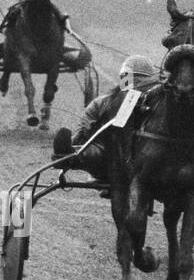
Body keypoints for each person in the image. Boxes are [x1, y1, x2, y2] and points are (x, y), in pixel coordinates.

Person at [51, 54, 161, 184]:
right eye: (132, 80)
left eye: (141, 81)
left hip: (146, 162)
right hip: (108, 159)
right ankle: (67, 155)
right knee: (92, 150)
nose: (136, 86)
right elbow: (82, 135)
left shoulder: (158, 103)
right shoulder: (103, 103)